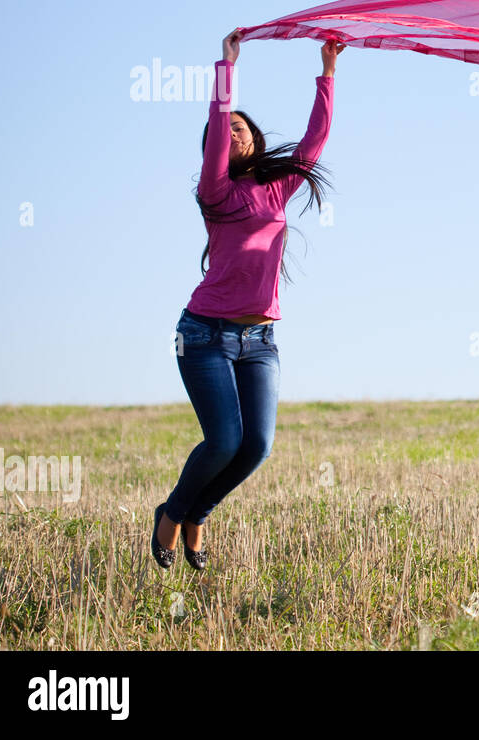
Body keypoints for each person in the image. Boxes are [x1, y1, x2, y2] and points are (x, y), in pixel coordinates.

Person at [151, 28, 342, 571]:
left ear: (256, 141)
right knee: (223, 440)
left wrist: (327, 72)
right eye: (227, 130)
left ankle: (196, 513)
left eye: (242, 129)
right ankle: (171, 514)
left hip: (260, 339)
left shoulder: (277, 188)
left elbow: (313, 143)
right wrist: (225, 69)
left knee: (255, 445)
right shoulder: (216, 193)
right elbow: (217, 127)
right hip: (205, 333)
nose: (234, 134)